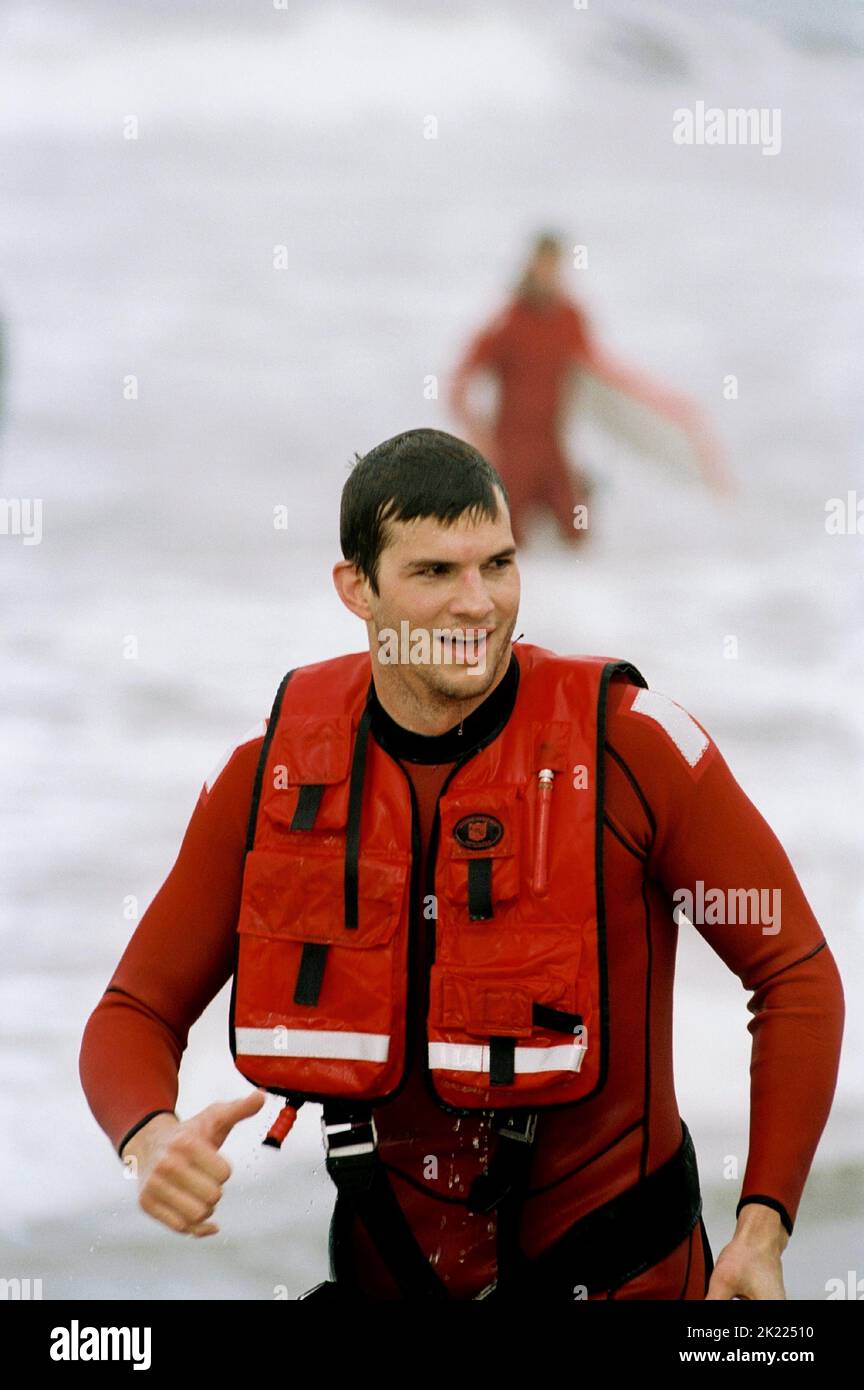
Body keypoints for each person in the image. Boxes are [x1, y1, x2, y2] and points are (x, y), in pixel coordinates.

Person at [79, 428, 844, 1301]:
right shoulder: (270, 777)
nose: (477, 604)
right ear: (356, 588)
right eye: (435, 572)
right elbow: (133, 1013)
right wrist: (150, 1137)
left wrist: (762, 1228)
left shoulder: (636, 748)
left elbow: (796, 975)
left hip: (626, 1281)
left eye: (500, 564)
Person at [449, 231, 730, 548]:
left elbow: (602, 370)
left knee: (577, 531)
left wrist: (670, 408)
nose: (548, 275)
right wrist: (476, 432)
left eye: (554, 267)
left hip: (551, 442)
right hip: (511, 446)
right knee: (508, 540)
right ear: (530, 266)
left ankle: (584, 590)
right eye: (543, 266)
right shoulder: (507, 322)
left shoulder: (569, 318)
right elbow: (461, 378)